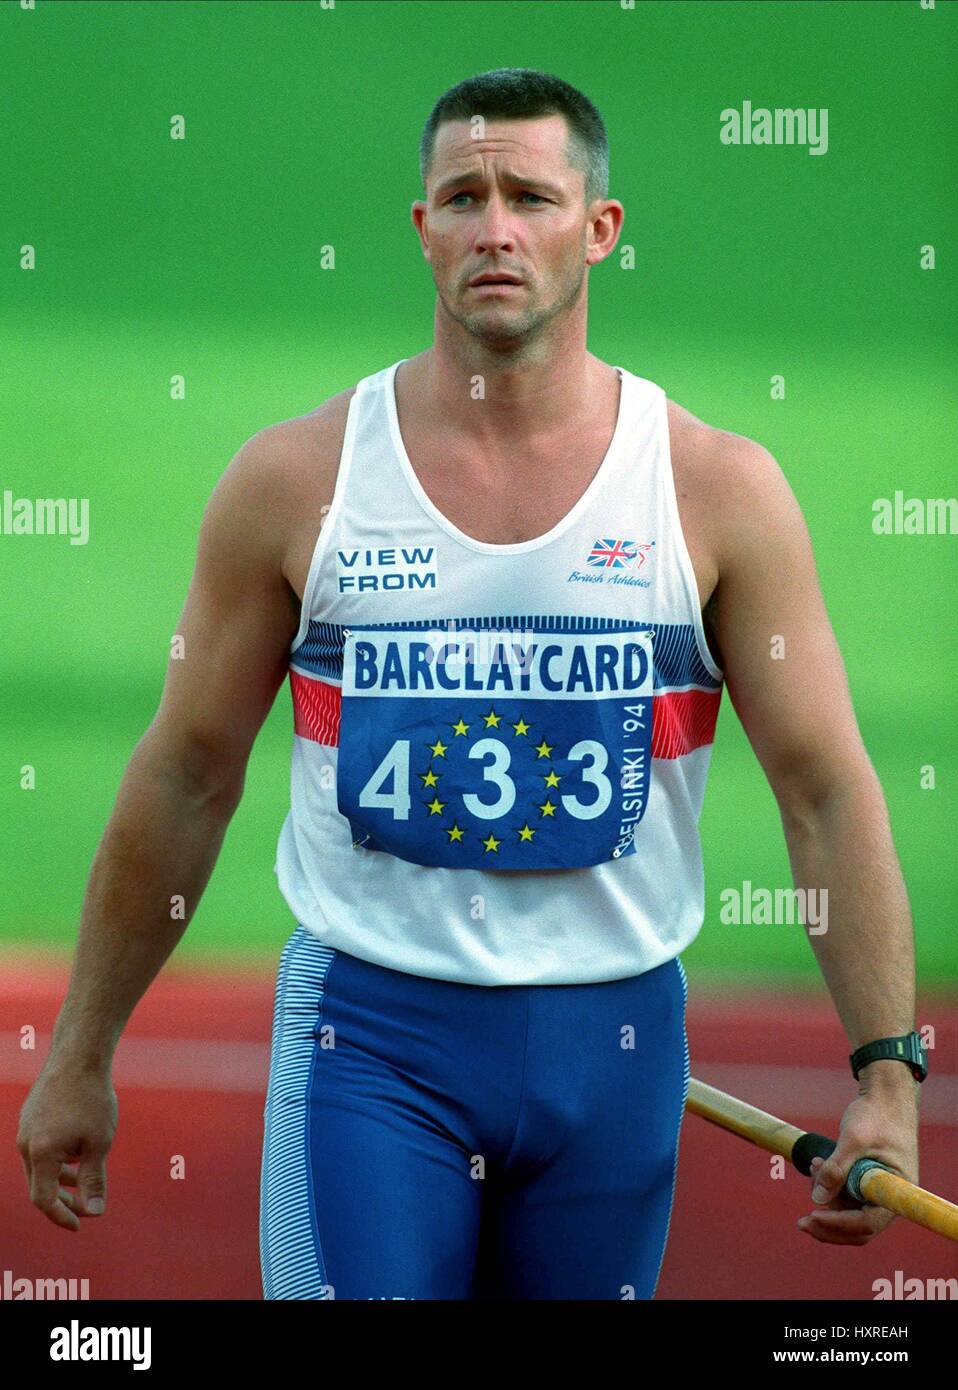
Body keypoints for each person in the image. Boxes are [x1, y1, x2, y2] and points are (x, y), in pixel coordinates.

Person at [18, 68, 923, 1301]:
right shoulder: (298, 481)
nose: (495, 226)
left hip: (616, 1052)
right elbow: (187, 771)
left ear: (597, 229)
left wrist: (885, 1072)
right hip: (369, 1045)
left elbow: (824, 788)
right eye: (464, 196)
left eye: (530, 196)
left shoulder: (716, 490)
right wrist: (80, 1050)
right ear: (423, 227)